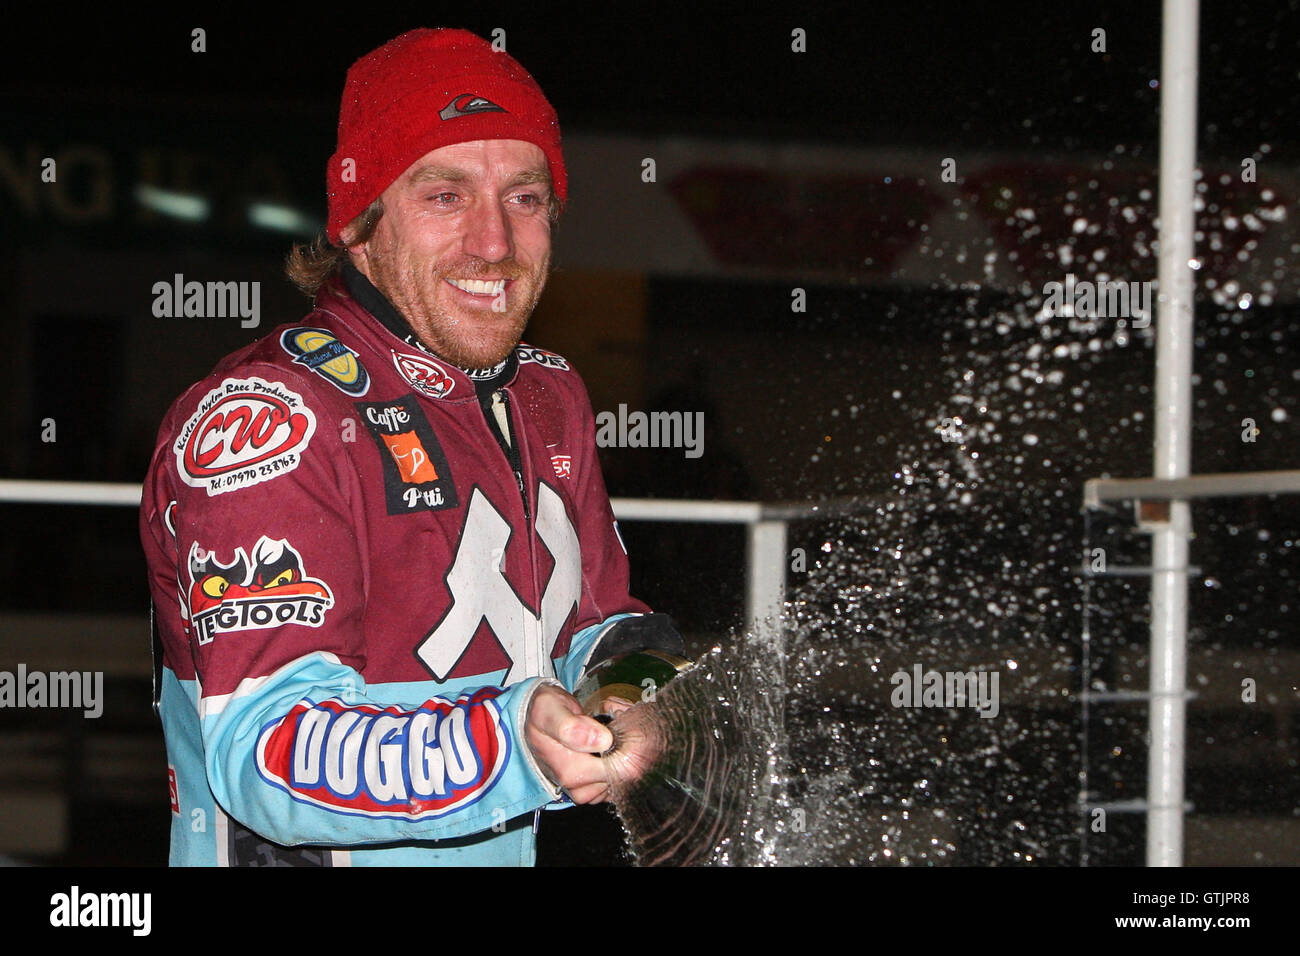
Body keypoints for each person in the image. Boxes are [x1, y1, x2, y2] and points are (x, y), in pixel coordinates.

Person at [139, 27, 683, 866]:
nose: (495, 242)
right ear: (359, 225)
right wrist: (516, 749)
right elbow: (263, 758)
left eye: (526, 198)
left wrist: (634, 695)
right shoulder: (268, 417)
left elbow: (604, 626)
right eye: (445, 195)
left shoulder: (548, 394)